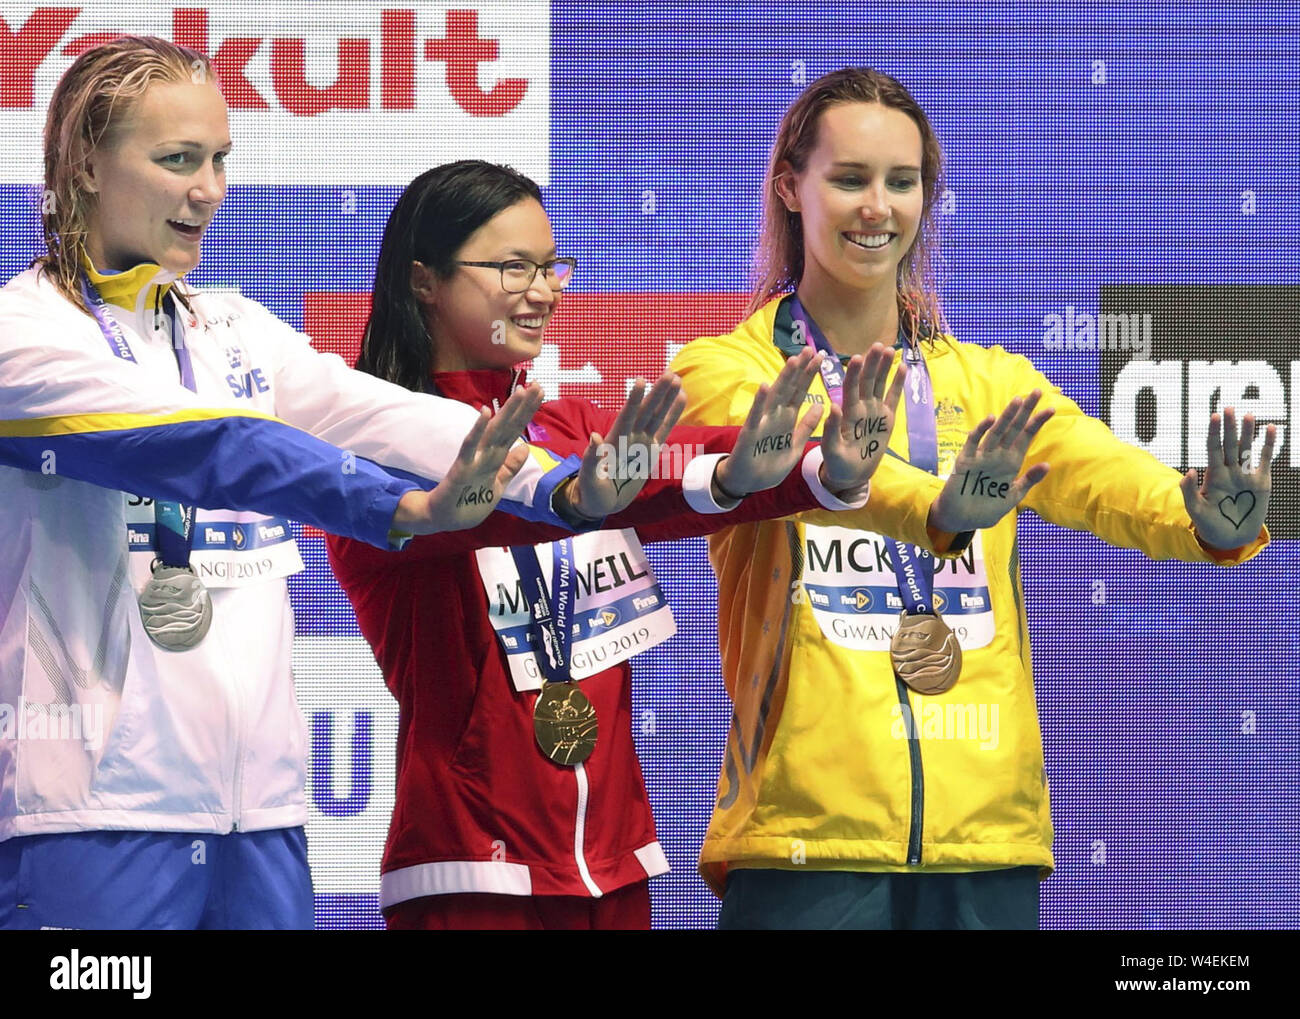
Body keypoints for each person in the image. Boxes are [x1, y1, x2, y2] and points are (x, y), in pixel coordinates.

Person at [0, 36, 673, 931]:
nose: (211, 191)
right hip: (91, 814)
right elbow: (216, 448)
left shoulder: (236, 330)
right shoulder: (23, 336)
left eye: (220, 160)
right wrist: (403, 508)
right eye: (178, 161)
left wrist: (557, 487)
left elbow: (384, 414)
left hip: (262, 815)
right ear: (85, 162)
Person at [325, 159, 1047, 930]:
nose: (543, 289)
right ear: (425, 281)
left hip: (615, 864)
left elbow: (679, 471)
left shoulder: (569, 427)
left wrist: (802, 468)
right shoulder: (376, 440)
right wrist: (584, 498)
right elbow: (514, 504)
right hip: (469, 867)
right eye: (511, 267)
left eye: (550, 264)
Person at [668, 66, 1275, 930]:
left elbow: (1109, 478)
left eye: (901, 182)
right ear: (789, 189)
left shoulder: (990, 383)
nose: (878, 206)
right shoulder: (726, 372)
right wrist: (942, 512)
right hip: (805, 842)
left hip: (986, 843)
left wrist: (1205, 520)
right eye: (849, 179)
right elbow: (817, 467)